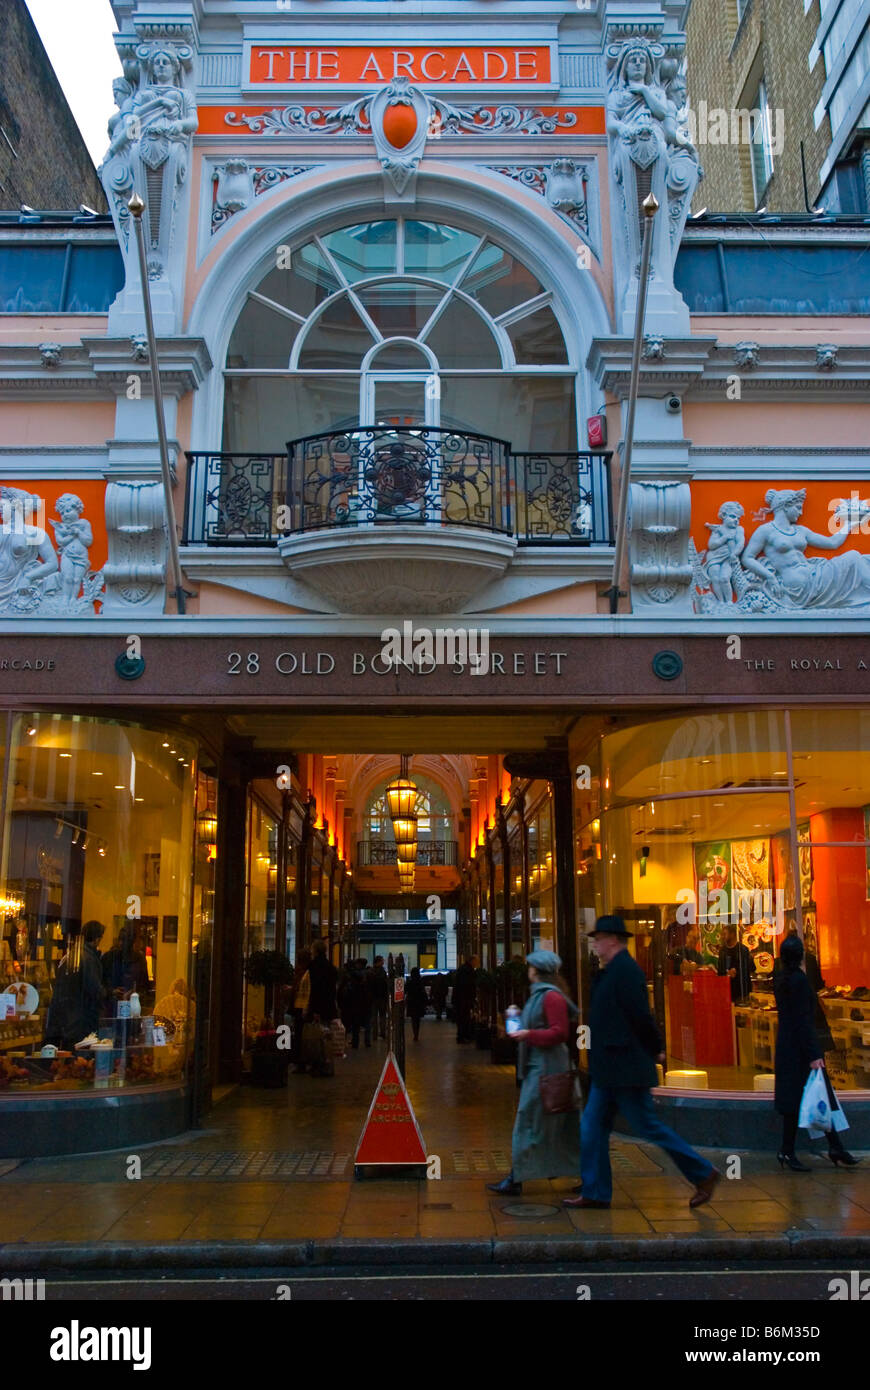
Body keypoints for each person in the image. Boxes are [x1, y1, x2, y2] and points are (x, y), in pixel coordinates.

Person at [564, 915, 720, 1212]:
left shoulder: (626, 971)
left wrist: (656, 1049)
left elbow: (641, 1016)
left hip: (625, 1068)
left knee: (648, 1126)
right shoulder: (612, 971)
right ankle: (595, 1191)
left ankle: (703, 1173)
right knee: (592, 1129)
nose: (595, 944)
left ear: (613, 940)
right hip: (609, 1068)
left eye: (598, 939)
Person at [487, 950, 580, 1196]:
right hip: (542, 1066)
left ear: (536, 971)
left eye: (529, 967)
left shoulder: (550, 997)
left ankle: (517, 1177)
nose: (527, 970)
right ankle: (576, 1171)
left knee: (530, 1121)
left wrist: (529, 1035)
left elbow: (560, 1032)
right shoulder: (540, 996)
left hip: (547, 1069)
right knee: (553, 1124)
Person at [773, 934, 858, 1170]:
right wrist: (814, 1054)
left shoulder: (780, 978)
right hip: (802, 1049)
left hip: (788, 1046)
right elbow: (804, 1020)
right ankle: (794, 1151)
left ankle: (831, 1147)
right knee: (819, 1095)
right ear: (800, 956)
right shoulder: (799, 981)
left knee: (812, 1097)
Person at [45, 920, 107, 1050]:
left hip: (66, 1019)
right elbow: (94, 989)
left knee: (69, 1058)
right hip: (81, 1020)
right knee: (81, 1058)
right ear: (96, 939)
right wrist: (108, 994)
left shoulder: (71, 956)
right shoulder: (88, 959)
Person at [102, 921, 150, 1002]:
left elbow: (144, 986)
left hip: (131, 1003)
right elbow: (100, 984)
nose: (120, 943)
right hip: (111, 1004)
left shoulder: (139, 958)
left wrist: (134, 993)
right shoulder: (109, 957)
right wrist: (111, 991)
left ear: (132, 942)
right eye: (120, 939)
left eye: (124, 940)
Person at [717, 924, 753, 1002]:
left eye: (724, 934)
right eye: (722, 934)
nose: (722, 937)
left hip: (742, 992)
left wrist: (736, 971)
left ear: (732, 934)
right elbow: (720, 971)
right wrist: (727, 973)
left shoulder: (743, 950)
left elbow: (750, 968)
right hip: (727, 992)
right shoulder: (722, 951)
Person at [306, 939, 338, 1024]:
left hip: (316, 1005)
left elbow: (314, 988)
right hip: (329, 1005)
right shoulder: (330, 967)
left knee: (314, 1032)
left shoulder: (313, 966)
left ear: (315, 951)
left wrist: (313, 1008)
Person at [346, 958, 373, 1049]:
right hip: (367, 1001)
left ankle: (355, 1042)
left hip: (357, 1001)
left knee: (356, 1023)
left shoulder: (357, 974)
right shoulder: (369, 973)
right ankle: (367, 1041)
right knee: (367, 1022)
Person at [453, 956, 477, 1043]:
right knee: (464, 1018)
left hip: (460, 999)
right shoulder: (467, 971)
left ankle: (462, 1036)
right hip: (463, 999)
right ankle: (463, 1036)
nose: (476, 964)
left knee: (462, 1018)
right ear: (472, 961)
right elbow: (467, 986)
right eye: (476, 962)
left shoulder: (463, 969)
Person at [367, 956, 389, 1040]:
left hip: (373, 997)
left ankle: (374, 1035)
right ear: (379, 962)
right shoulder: (383, 972)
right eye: (382, 960)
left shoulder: (370, 972)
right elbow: (385, 985)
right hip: (382, 997)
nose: (383, 962)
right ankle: (382, 1033)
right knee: (382, 1016)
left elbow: (368, 986)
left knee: (374, 1016)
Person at [406, 967, 428, 1042]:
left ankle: (415, 1033)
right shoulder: (420, 982)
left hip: (412, 1002)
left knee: (413, 1019)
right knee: (417, 1019)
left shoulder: (410, 982)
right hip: (418, 1002)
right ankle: (416, 1034)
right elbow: (423, 992)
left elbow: (406, 990)